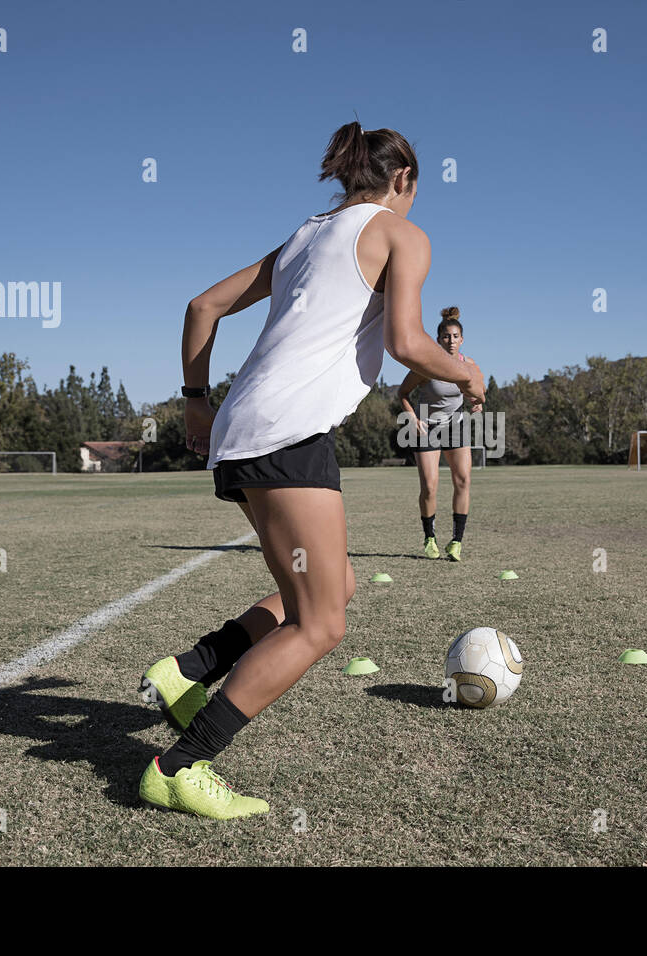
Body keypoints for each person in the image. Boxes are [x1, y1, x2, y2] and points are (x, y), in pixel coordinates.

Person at [136, 121, 484, 820]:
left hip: (242, 430)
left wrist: (197, 403)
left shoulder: (303, 234)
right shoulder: (400, 233)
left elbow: (201, 305)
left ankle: (191, 670)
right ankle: (179, 766)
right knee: (322, 626)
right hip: (290, 433)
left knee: (333, 588)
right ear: (403, 179)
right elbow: (407, 340)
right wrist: (469, 374)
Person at [397, 307, 482, 561]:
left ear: (462, 339)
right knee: (430, 487)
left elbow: (476, 392)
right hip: (427, 428)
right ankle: (429, 537)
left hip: (455, 426)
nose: (451, 341)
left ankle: (456, 542)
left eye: (455, 336)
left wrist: (477, 403)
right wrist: (411, 416)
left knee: (463, 481)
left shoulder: (469, 366)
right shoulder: (427, 367)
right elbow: (402, 392)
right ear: (438, 339)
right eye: (446, 336)